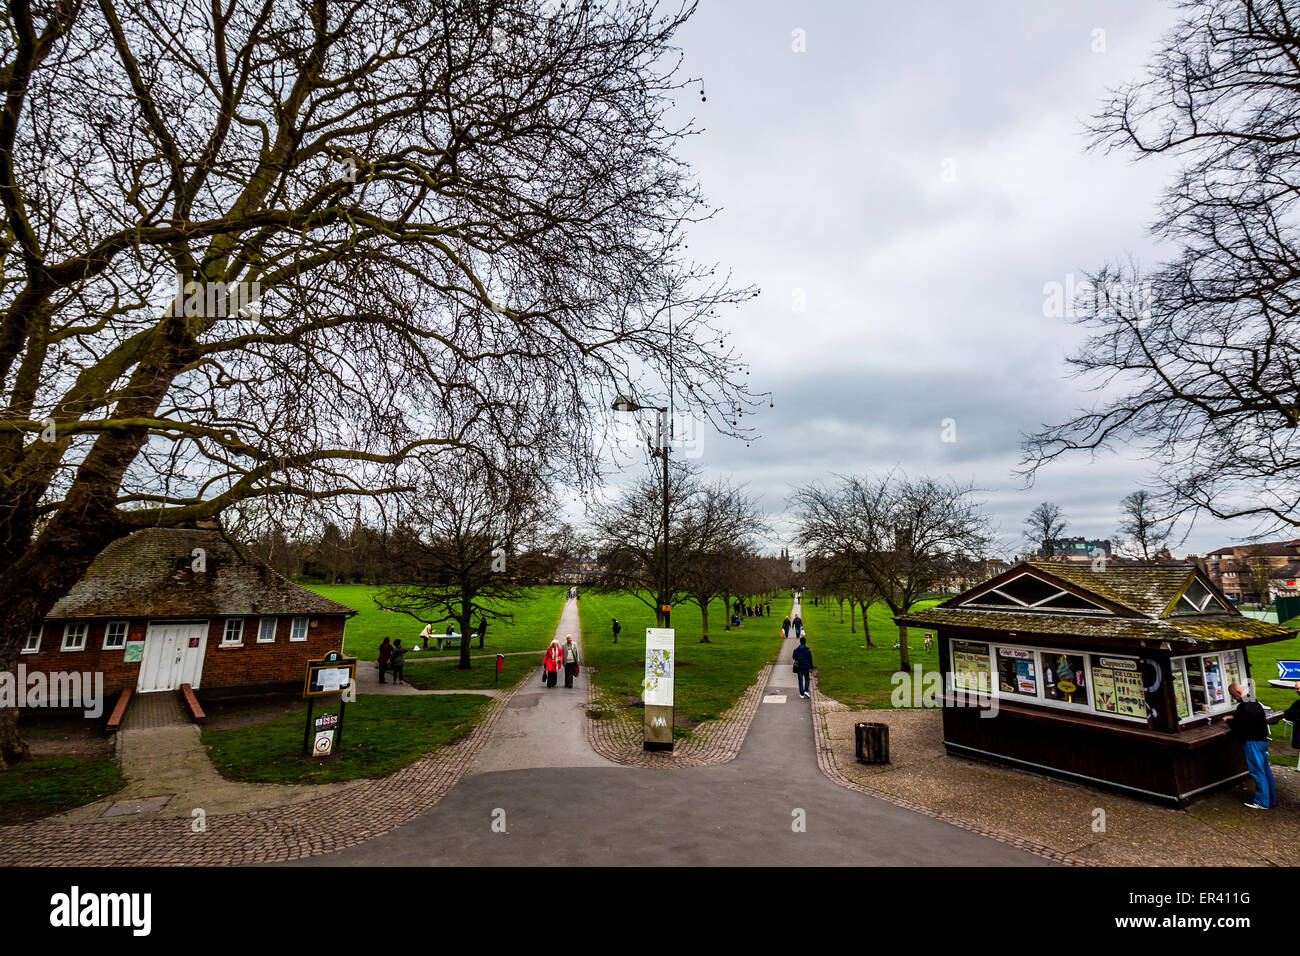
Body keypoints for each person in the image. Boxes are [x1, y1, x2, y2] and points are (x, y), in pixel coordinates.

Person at [1224, 681, 1275, 809]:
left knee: (1257, 772)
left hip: (1252, 743)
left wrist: (1229, 721)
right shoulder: (1255, 703)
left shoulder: (1243, 707)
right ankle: (1271, 799)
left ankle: (1262, 801)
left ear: (1237, 693)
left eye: (1232, 695)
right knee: (1266, 771)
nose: (1233, 698)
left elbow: (1240, 727)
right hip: (1262, 741)